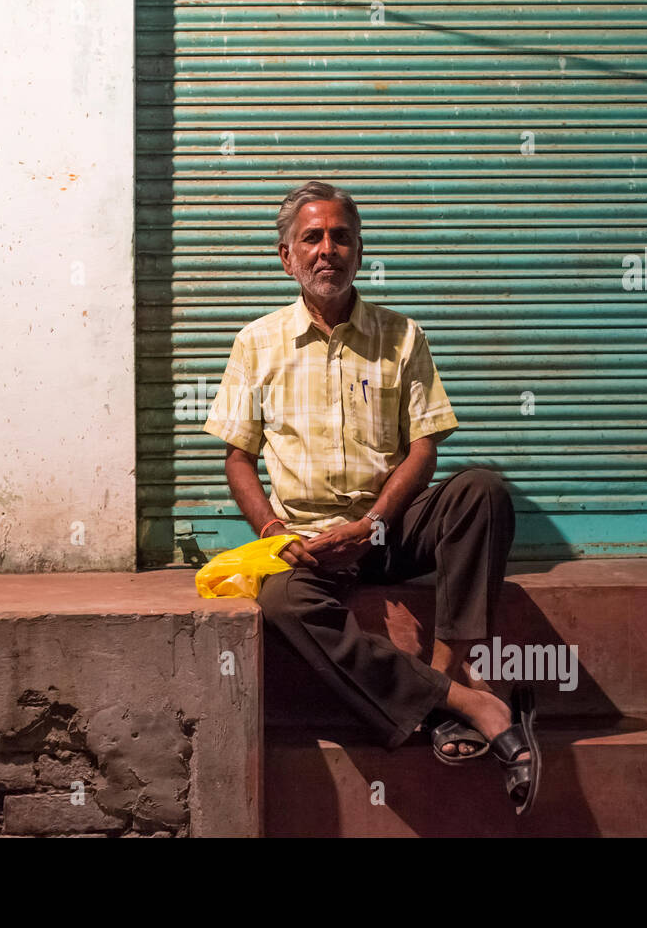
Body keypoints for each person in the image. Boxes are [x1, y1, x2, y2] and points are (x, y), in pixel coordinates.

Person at [202, 181, 540, 815]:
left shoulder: (402, 336)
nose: (327, 249)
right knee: (282, 605)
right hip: (306, 540)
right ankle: (463, 702)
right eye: (312, 237)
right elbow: (238, 456)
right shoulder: (257, 343)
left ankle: (449, 670)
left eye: (341, 237)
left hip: (391, 527)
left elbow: (424, 449)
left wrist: (375, 522)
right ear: (287, 257)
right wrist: (276, 532)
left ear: (359, 252)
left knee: (483, 492)